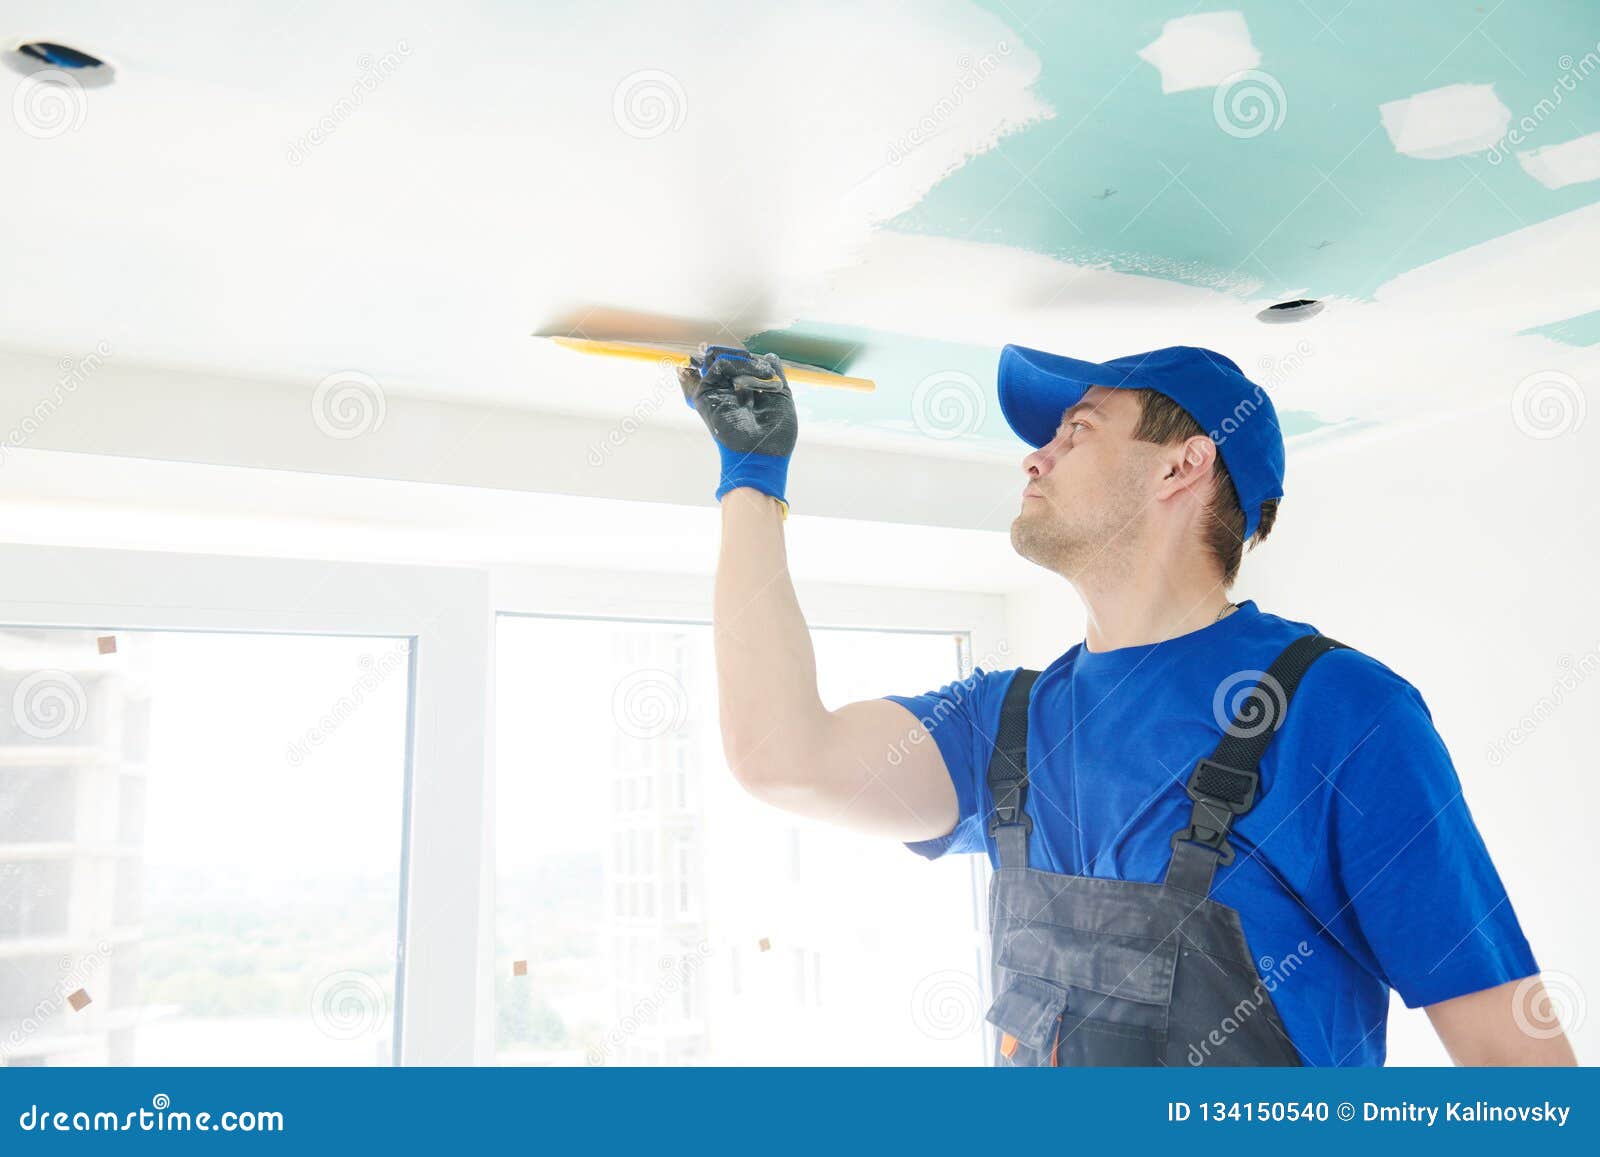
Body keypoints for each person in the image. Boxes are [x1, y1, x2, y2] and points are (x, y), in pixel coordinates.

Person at [681, 343, 1575, 1067]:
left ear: (1183, 466)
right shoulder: (1005, 722)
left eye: (1077, 430)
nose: (1038, 454)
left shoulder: (1341, 712)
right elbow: (780, 757)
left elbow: (1519, 1067)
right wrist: (751, 479)